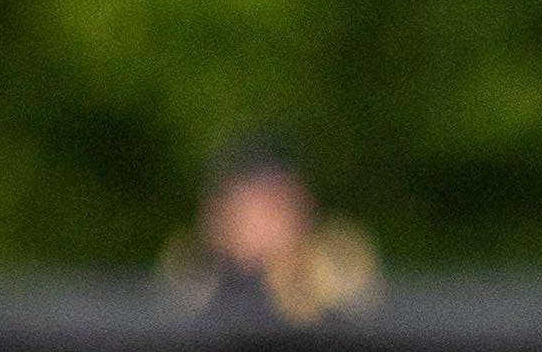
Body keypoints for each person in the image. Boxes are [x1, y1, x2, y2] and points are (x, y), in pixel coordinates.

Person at [159, 131, 380, 325]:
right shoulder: (187, 293)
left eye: (282, 204)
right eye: (255, 206)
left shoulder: (339, 293)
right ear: (216, 214)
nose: (270, 221)